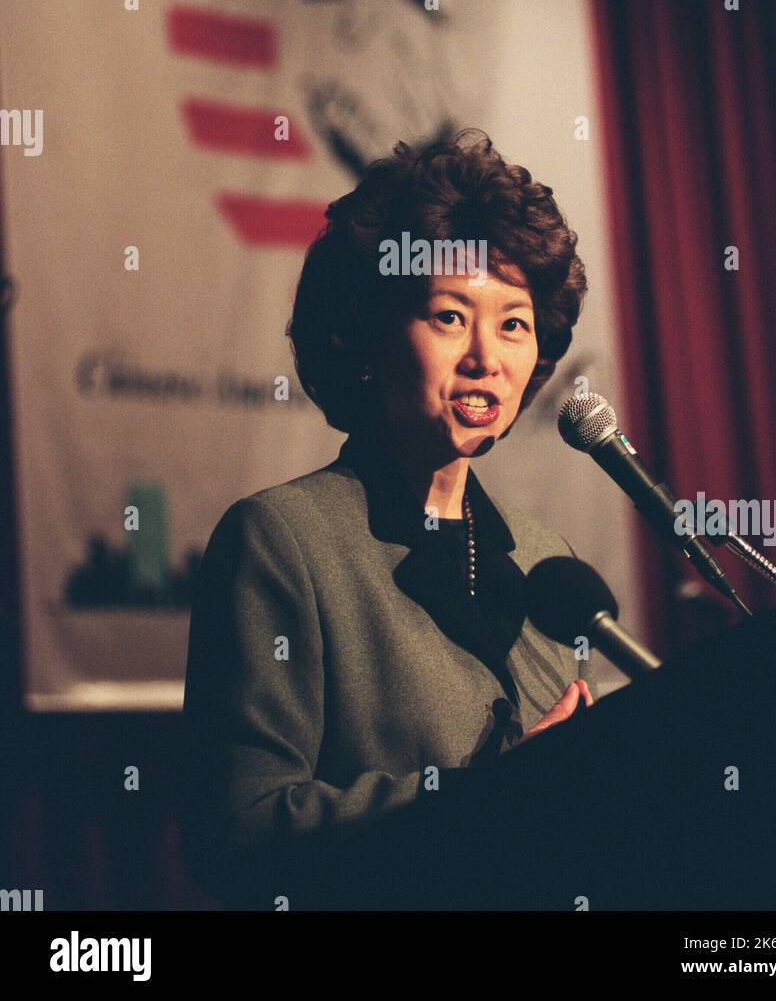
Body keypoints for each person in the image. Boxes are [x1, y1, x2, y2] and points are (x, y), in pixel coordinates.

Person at [181, 129, 598, 910]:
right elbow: (237, 830)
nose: (487, 356)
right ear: (372, 334)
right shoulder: (283, 541)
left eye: (514, 323)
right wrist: (486, 798)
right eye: (450, 317)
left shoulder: (547, 562)